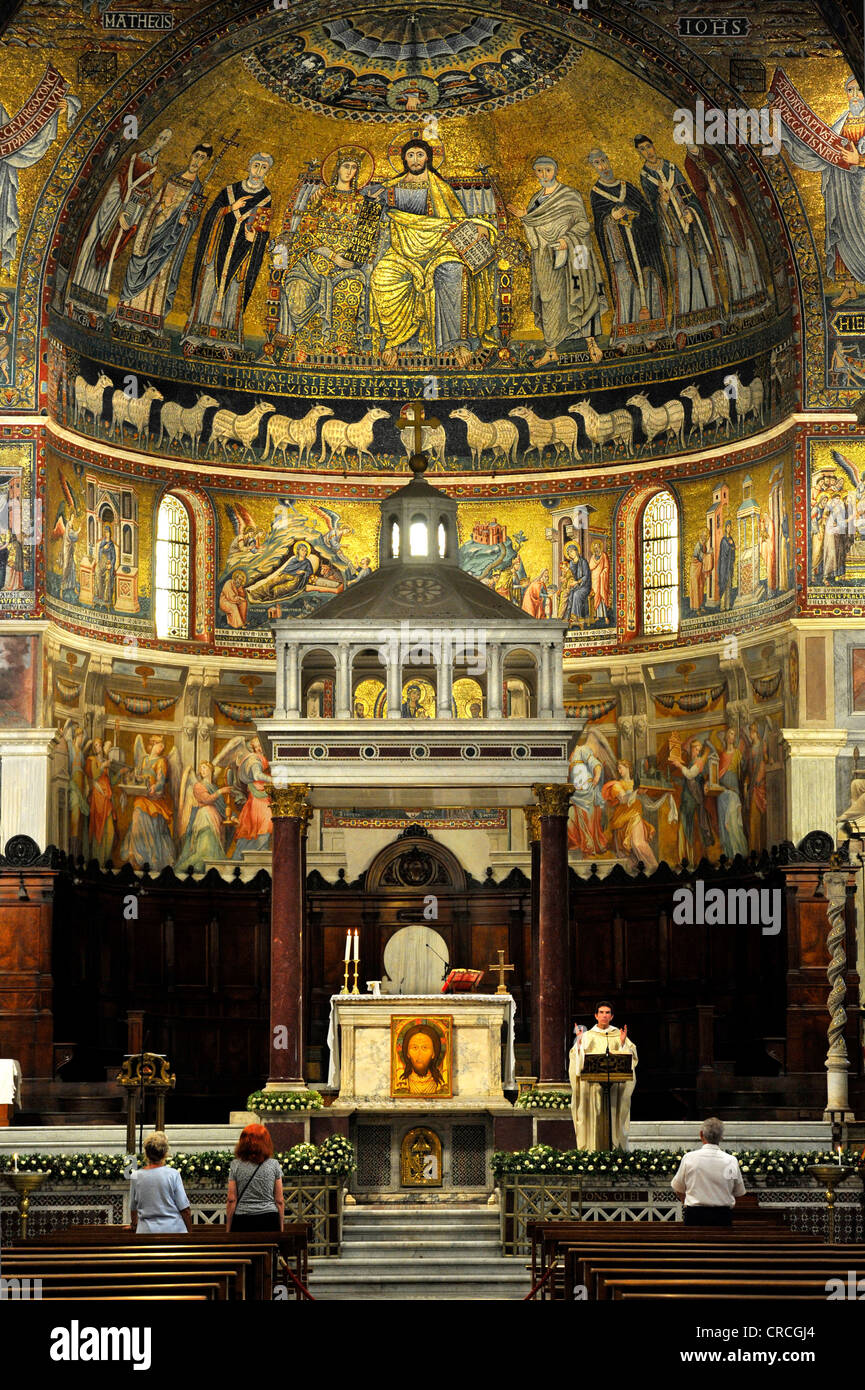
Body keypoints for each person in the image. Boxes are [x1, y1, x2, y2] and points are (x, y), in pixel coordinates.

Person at [511, 155, 606, 365]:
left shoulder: (570, 195)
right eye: (539, 171)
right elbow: (534, 237)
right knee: (549, 300)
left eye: (548, 170)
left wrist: (566, 240)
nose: (544, 175)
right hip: (546, 258)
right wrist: (525, 218)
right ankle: (551, 349)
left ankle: (591, 343)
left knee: (583, 291)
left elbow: (583, 224)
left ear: (555, 171)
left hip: (576, 252)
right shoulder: (535, 200)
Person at [182, 153, 273, 355]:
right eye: (256, 165)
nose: (258, 171)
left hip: (242, 255)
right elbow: (210, 216)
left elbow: (263, 229)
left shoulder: (266, 198)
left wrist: (254, 239)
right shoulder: (230, 191)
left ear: (268, 172)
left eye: (263, 167)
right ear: (248, 166)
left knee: (233, 294)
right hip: (218, 249)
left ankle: (227, 342)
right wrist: (231, 208)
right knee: (208, 289)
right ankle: (196, 337)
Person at [569, 1000, 638, 1150]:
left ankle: (615, 1148)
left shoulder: (618, 1035)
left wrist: (622, 1044)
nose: (604, 1016)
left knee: (613, 1115)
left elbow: (630, 1059)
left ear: (612, 1016)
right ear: (596, 1015)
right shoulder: (587, 1036)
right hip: (593, 1087)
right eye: (601, 1012)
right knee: (594, 1117)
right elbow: (576, 1059)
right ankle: (593, 1148)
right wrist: (580, 1045)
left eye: (607, 1013)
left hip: (614, 1088)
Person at [670, 1117, 745, 1225]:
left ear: (701, 1134)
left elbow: (678, 1188)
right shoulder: (731, 1161)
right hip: (722, 1217)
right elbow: (739, 1192)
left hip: (694, 1216)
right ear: (721, 1137)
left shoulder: (689, 1158)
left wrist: (687, 1202)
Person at [129, 1131, 192, 1234]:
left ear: (146, 1153)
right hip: (173, 1231)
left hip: (146, 1233)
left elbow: (133, 1208)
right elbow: (185, 1209)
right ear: (165, 1153)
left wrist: (134, 1225)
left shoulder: (135, 1176)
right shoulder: (173, 1174)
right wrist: (190, 1233)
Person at [226, 1123, 284, 1232]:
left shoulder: (235, 1165)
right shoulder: (274, 1164)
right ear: (266, 1142)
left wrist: (228, 1230)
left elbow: (231, 1199)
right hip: (269, 1219)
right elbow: (279, 1200)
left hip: (243, 1219)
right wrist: (281, 1228)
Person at [396, 1022, 448, 1096]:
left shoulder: (440, 1084)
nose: (419, 1053)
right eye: (415, 1047)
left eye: (425, 1047)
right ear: (407, 1053)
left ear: (433, 1053)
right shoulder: (403, 1083)